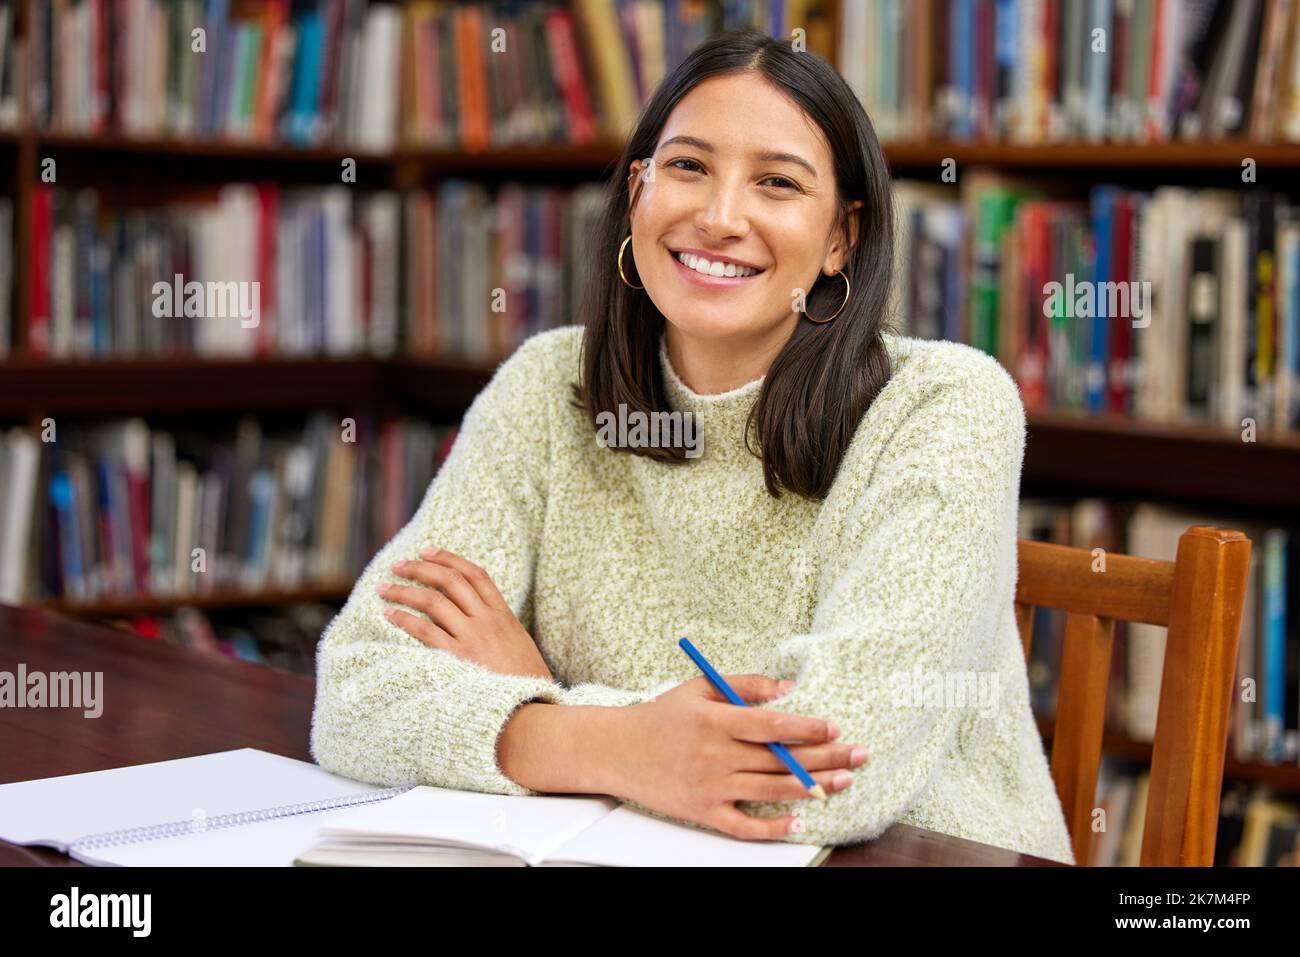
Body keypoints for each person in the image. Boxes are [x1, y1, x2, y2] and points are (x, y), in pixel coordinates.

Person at [310, 29, 1076, 864]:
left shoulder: (944, 406)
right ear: (637, 190)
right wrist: (623, 742)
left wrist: (547, 712)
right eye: (687, 167)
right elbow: (353, 691)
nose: (718, 218)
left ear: (840, 238)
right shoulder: (547, 384)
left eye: (777, 183)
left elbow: (823, 771)